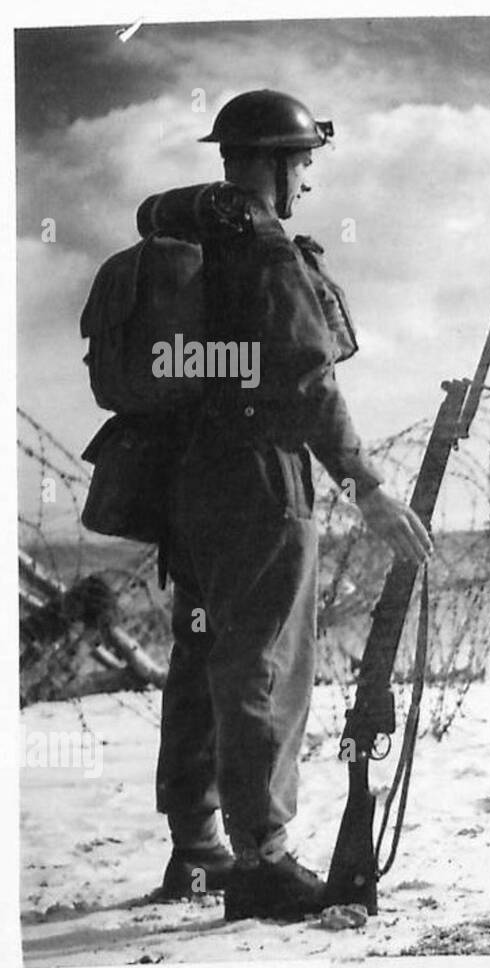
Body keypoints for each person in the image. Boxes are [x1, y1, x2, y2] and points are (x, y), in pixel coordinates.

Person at [154, 89, 433, 921]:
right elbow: (310, 381)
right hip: (261, 480)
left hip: (191, 477)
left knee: (201, 655)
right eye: (302, 161)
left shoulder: (196, 238)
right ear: (273, 162)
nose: (306, 180)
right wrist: (369, 485)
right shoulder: (268, 248)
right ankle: (264, 858)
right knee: (265, 661)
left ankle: (196, 845)